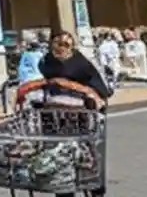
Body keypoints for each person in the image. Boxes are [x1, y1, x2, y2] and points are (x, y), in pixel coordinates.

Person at [38, 31, 111, 197]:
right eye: (57, 44)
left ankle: (94, 187)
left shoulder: (82, 64)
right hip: (52, 116)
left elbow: (98, 90)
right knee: (59, 157)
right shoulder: (46, 62)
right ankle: (64, 190)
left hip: (79, 116)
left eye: (66, 45)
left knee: (84, 154)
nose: (61, 49)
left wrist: (91, 97)